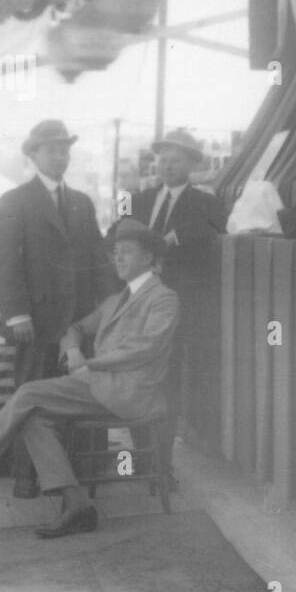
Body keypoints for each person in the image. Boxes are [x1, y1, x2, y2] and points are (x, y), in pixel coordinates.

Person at [0, 219, 180, 538]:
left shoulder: (163, 298)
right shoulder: (117, 299)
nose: (119, 259)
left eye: (127, 252)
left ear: (149, 258)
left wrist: (92, 365)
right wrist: (73, 353)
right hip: (101, 386)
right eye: (116, 253)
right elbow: (75, 329)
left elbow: (147, 348)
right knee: (32, 419)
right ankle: (76, 504)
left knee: (28, 393)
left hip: (131, 393)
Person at [0, 120, 117, 498]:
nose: (60, 156)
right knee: (29, 396)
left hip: (78, 323)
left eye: (64, 150)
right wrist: (16, 314)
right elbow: (3, 261)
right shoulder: (15, 201)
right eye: (51, 150)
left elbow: (97, 258)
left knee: (78, 395)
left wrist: (111, 305)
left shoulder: (81, 202)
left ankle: (77, 473)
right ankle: (26, 477)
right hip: (38, 320)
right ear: (33, 156)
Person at [124, 129, 226, 475]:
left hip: (175, 307)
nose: (167, 165)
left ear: (191, 165)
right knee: (136, 376)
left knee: (166, 380)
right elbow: (117, 237)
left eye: (176, 160)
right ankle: (140, 456)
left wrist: (171, 238)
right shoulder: (139, 199)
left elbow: (211, 228)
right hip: (138, 305)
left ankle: (161, 464)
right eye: (163, 159)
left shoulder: (204, 202)